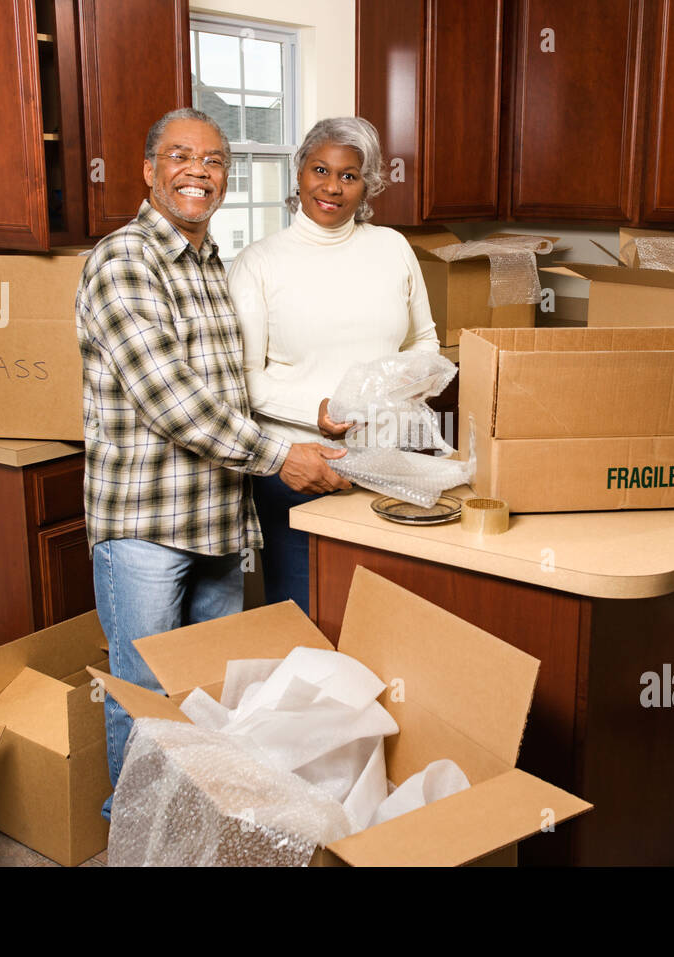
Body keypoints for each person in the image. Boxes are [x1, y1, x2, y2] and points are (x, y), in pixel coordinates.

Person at [75, 108, 350, 818]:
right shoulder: (123, 261)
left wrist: (310, 418)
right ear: (149, 171)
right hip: (145, 531)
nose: (198, 171)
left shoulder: (210, 266)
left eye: (214, 160)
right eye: (180, 156)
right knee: (147, 703)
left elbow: (236, 389)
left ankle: (193, 840)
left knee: (213, 706)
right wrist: (282, 457)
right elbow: (175, 403)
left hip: (218, 522)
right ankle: (135, 840)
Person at [228, 116, 440, 614]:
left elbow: (425, 340)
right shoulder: (259, 263)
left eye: (349, 175)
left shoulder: (392, 248)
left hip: (390, 461)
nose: (332, 186)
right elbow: (245, 380)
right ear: (299, 171)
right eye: (320, 169)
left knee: (385, 613)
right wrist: (319, 409)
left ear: (368, 184)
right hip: (302, 470)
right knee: (309, 613)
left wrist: (403, 387)